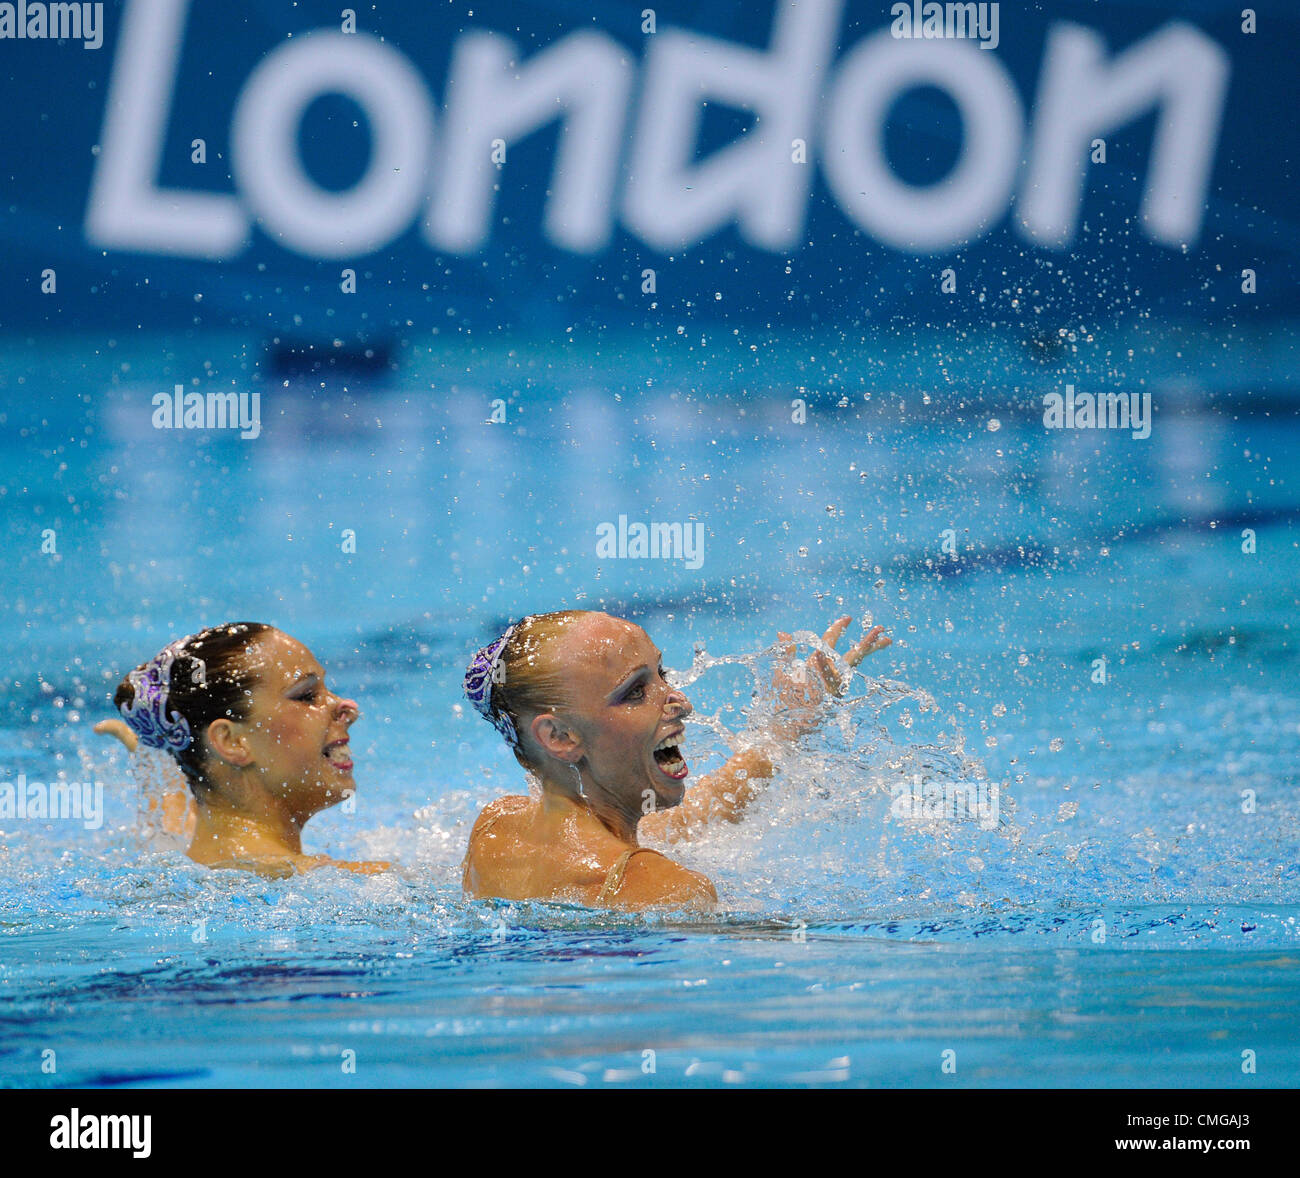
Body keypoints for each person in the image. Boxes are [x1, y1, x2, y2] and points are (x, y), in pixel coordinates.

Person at [461, 611, 890, 911]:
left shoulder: (497, 828)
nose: (680, 702)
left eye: (661, 675)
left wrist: (784, 732)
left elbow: (680, 824)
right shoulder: (663, 889)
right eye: (635, 691)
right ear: (559, 737)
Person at [95, 622, 388, 878]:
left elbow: (179, 821)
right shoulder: (346, 884)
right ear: (231, 742)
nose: (348, 708)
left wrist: (166, 774)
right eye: (307, 695)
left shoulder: (192, 855)